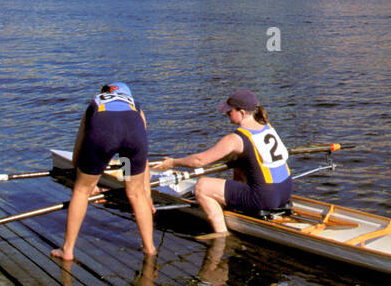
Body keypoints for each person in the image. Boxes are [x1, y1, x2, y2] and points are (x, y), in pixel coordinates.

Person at [151, 90, 290, 236]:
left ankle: (221, 234)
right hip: (285, 192)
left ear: (241, 112)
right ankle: (236, 205)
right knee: (240, 164)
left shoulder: (236, 138)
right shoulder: (267, 127)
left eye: (229, 112)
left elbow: (200, 160)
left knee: (202, 185)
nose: (226, 114)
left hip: (264, 197)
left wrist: (173, 162)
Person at [53, 82, 156, 261]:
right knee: (136, 194)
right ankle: (150, 248)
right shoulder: (135, 106)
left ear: (105, 92)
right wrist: (147, 196)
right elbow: (142, 156)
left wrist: (81, 173)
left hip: (103, 134)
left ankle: (67, 250)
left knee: (82, 191)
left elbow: (78, 146)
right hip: (133, 141)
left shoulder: (95, 104)